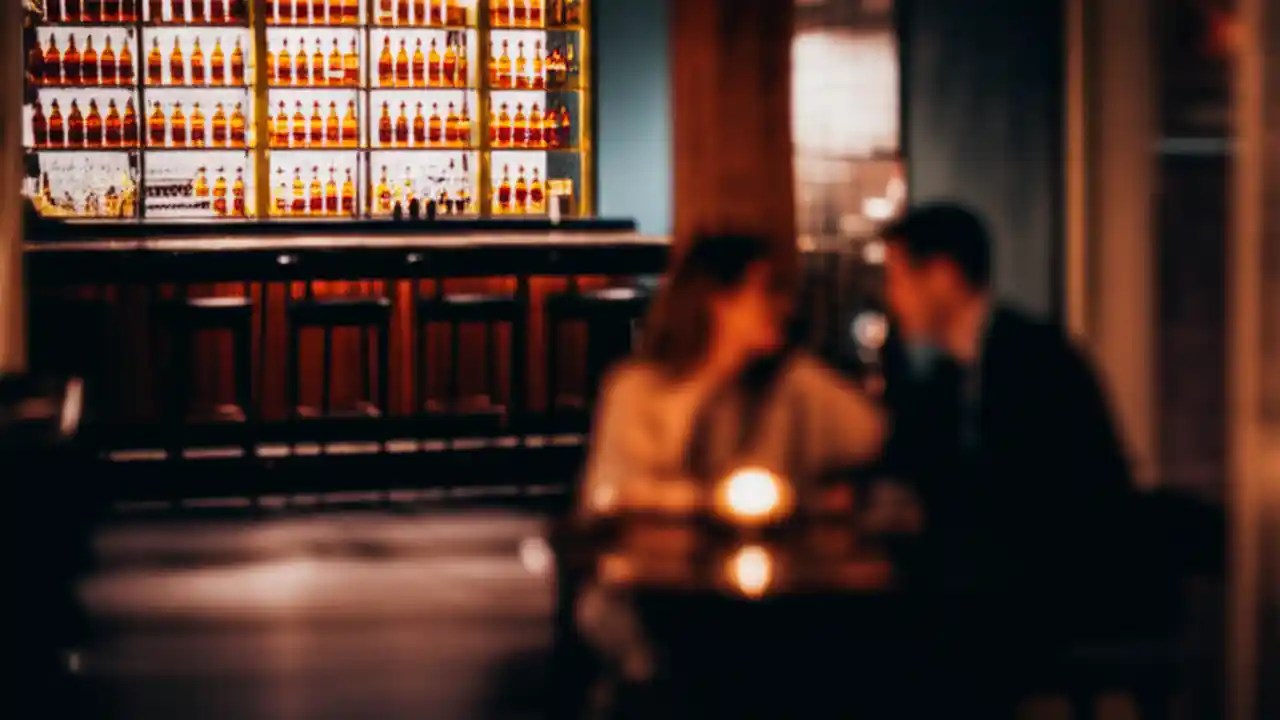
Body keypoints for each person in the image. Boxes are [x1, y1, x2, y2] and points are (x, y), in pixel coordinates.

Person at [567, 233, 887, 717]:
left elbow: (877, 436)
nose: (780, 305)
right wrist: (711, 500)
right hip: (649, 597)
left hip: (765, 596)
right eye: (764, 290)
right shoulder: (638, 390)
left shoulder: (790, 386)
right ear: (715, 301)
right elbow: (608, 495)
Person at [877, 203, 1136, 708]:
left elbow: (1055, 496)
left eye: (898, 277)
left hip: (1063, 577)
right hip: (992, 577)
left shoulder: (1034, 358)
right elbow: (909, 463)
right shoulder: (947, 373)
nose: (891, 298)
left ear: (945, 277)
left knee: (911, 642)